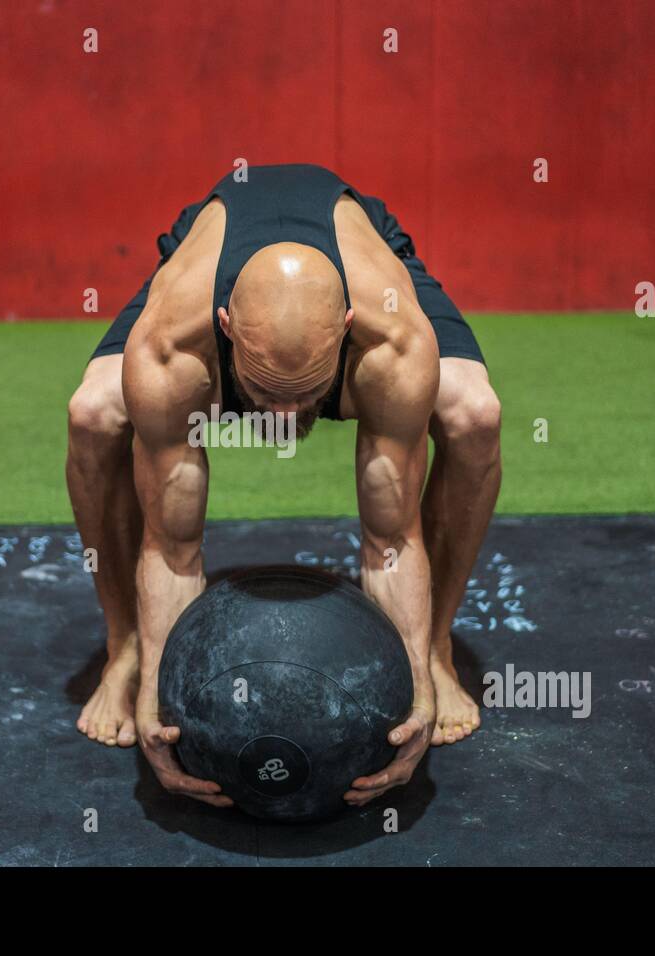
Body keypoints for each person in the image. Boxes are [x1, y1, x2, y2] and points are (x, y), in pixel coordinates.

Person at [66, 163, 501, 807]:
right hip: (209, 249)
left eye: (307, 399)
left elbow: (392, 539)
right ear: (225, 326)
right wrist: (159, 690)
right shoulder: (170, 349)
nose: (283, 424)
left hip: (363, 251)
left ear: (348, 329)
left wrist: (414, 684)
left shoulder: (392, 346)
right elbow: (171, 547)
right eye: (265, 395)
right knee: (94, 414)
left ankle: (438, 646)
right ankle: (121, 645)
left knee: (474, 415)